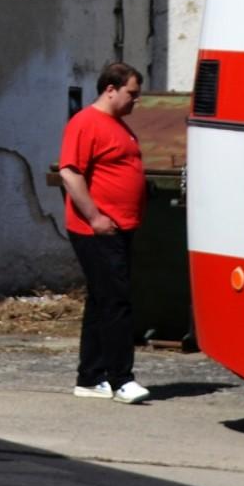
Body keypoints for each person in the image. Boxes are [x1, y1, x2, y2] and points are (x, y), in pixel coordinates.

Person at [59, 62, 151, 404]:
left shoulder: (119, 126)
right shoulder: (86, 123)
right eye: (131, 93)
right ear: (110, 88)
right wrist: (96, 217)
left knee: (101, 301)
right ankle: (121, 378)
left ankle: (90, 377)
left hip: (121, 226)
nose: (135, 101)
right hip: (97, 229)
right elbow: (70, 173)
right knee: (117, 302)